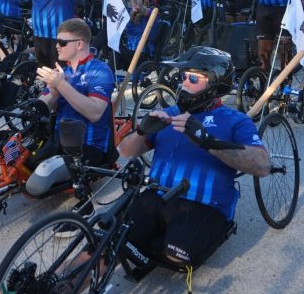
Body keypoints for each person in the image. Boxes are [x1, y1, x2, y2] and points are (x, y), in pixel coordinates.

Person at [116, 47, 270, 272]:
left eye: (193, 77)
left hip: (204, 204)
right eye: (182, 76)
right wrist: (141, 131)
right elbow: (125, 152)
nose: (183, 83)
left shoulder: (235, 120)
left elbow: (262, 165)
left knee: (176, 256)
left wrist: (208, 141)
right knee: (113, 239)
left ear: (215, 83)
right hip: (157, 196)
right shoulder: (168, 113)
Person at [23, 18, 115, 209]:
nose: (56, 46)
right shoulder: (62, 71)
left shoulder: (100, 71)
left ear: (80, 44)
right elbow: (44, 103)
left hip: (87, 146)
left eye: (62, 42)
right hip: (59, 141)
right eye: (57, 41)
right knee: (20, 166)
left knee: (35, 185)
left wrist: (61, 85)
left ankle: (84, 202)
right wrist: (48, 96)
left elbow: (95, 113)